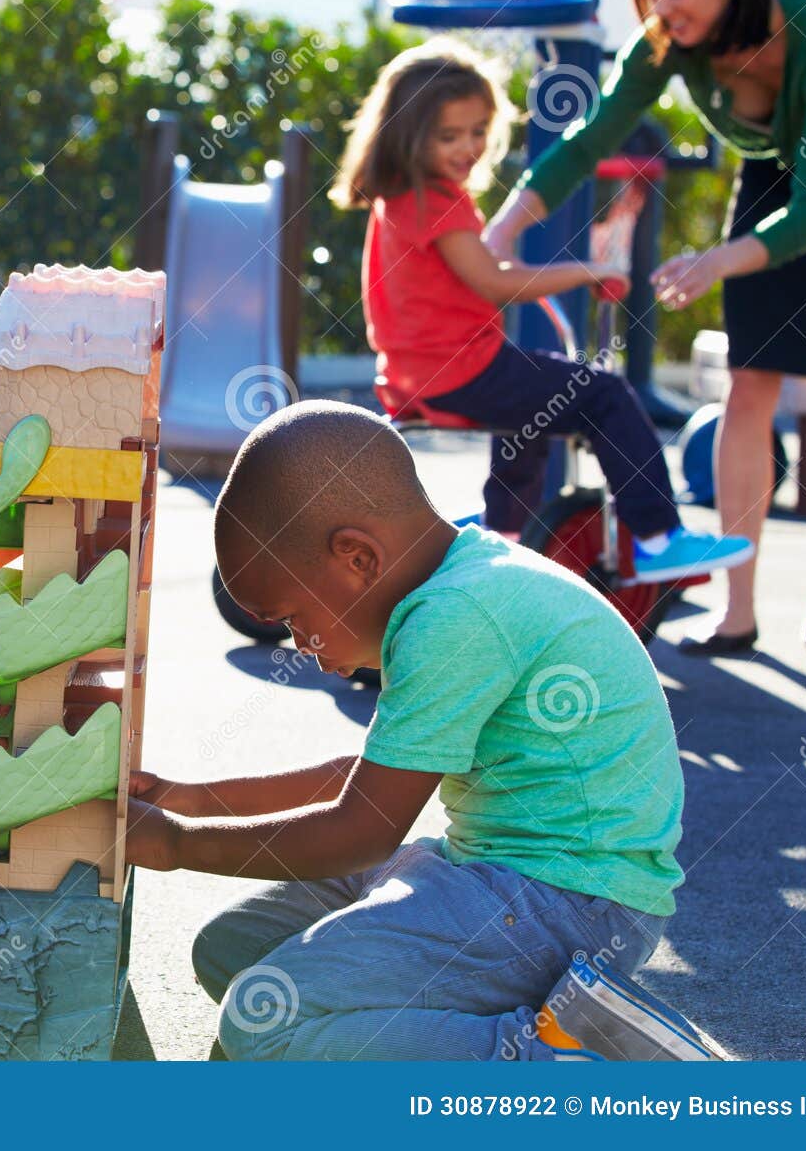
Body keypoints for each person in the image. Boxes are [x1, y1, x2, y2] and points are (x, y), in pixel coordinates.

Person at [125, 400, 722, 1060]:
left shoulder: (453, 619)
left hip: (571, 902)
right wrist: (188, 798)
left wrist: (176, 843)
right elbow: (364, 779)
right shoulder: (458, 581)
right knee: (234, 952)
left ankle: (563, 1053)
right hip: (502, 876)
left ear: (356, 556)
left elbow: (362, 829)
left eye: (292, 618)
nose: (299, 644)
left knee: (261, 1020)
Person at [486, 0, 806, 663]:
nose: (662, 4)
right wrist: (500, 231)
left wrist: (715, 262)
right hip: (777, 179)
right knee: (749, 385)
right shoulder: (667, 40)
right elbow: (591, 139)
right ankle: (736, 613)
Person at [331, 39, 752, 586]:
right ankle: (657, 538)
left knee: (535, 397)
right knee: (603, 393)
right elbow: (495, 283)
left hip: (416, 374)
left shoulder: (399, 200)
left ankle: (502, 535)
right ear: (409, 136)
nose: (469, 148)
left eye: (479, 131)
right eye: (450, 136)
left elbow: (469, 273)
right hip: (460, 369)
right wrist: (591, 271)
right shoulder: (437, 201)